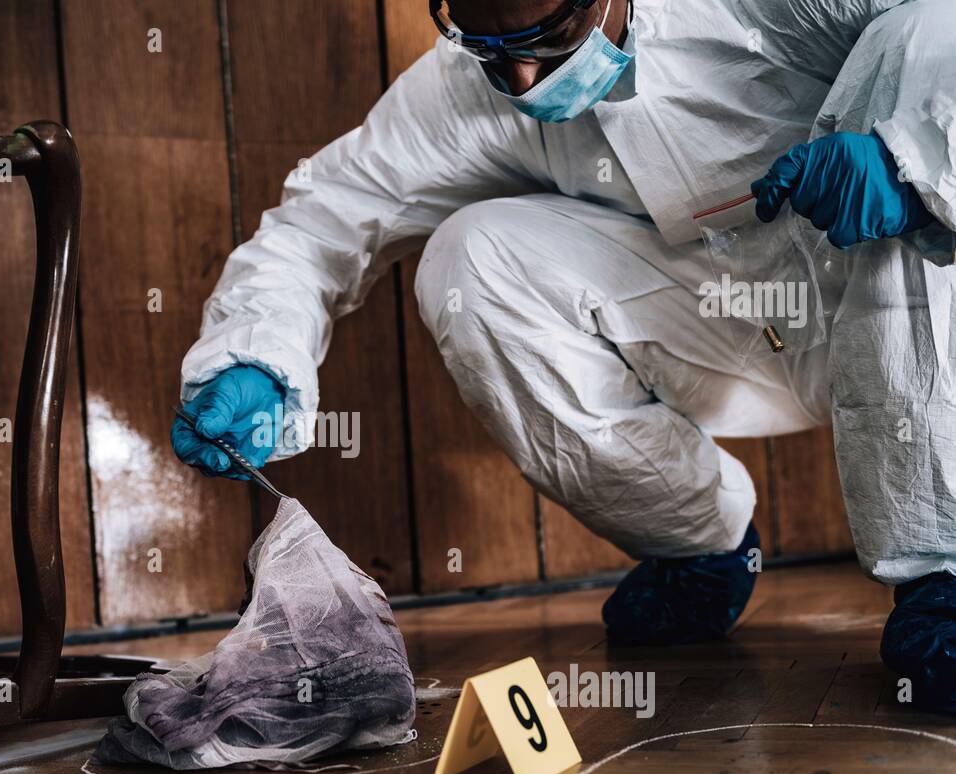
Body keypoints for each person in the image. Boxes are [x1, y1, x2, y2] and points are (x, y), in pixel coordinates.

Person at [170, 0, 956, 713]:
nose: (520, 75)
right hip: (727, 344)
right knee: (470, 258)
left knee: (920, 31)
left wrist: (918, 163)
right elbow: (325, 220)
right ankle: (697, 545)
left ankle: (945, 573)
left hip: (899, 299)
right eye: (486, 44)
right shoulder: (468, 88)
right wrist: (254, 355)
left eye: (550, 35)